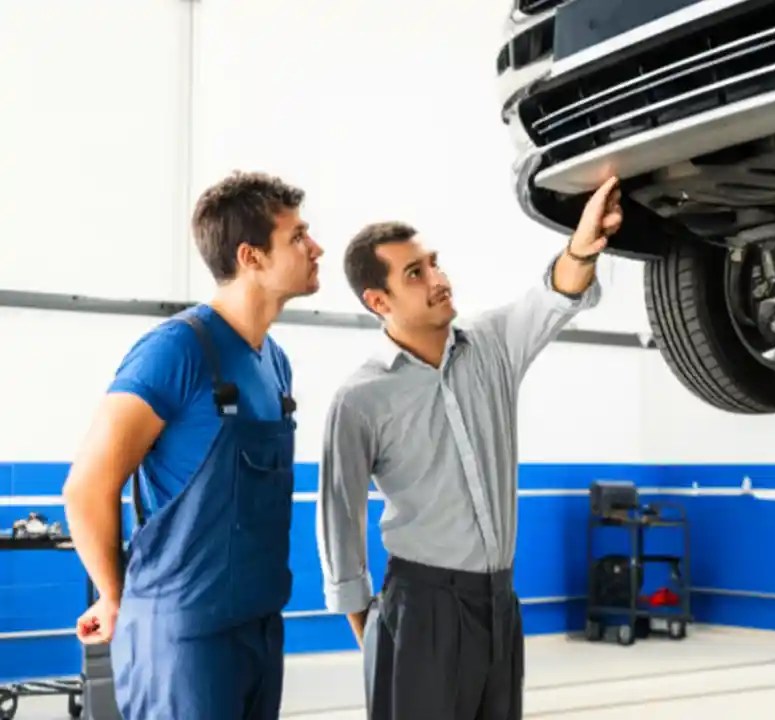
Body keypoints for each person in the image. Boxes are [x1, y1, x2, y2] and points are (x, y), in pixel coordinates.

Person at [315, 177, 622, 719]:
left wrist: (582, 244)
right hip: (421, 607)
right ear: (378, 300)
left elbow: (555, 295)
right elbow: (339, 521)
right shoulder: (360, 399)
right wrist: (379, 635)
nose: (438, 279)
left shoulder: (492, 347)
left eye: (434, 262)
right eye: (416, 273)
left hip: (500, 603)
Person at [61, 171, 324, 719]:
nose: (315, 247)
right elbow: (86, 489)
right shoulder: (175, 350)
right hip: (184, 639)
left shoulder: (274, 362)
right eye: (297, 236)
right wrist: (114, 597)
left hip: (256, 626)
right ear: (251, 256)